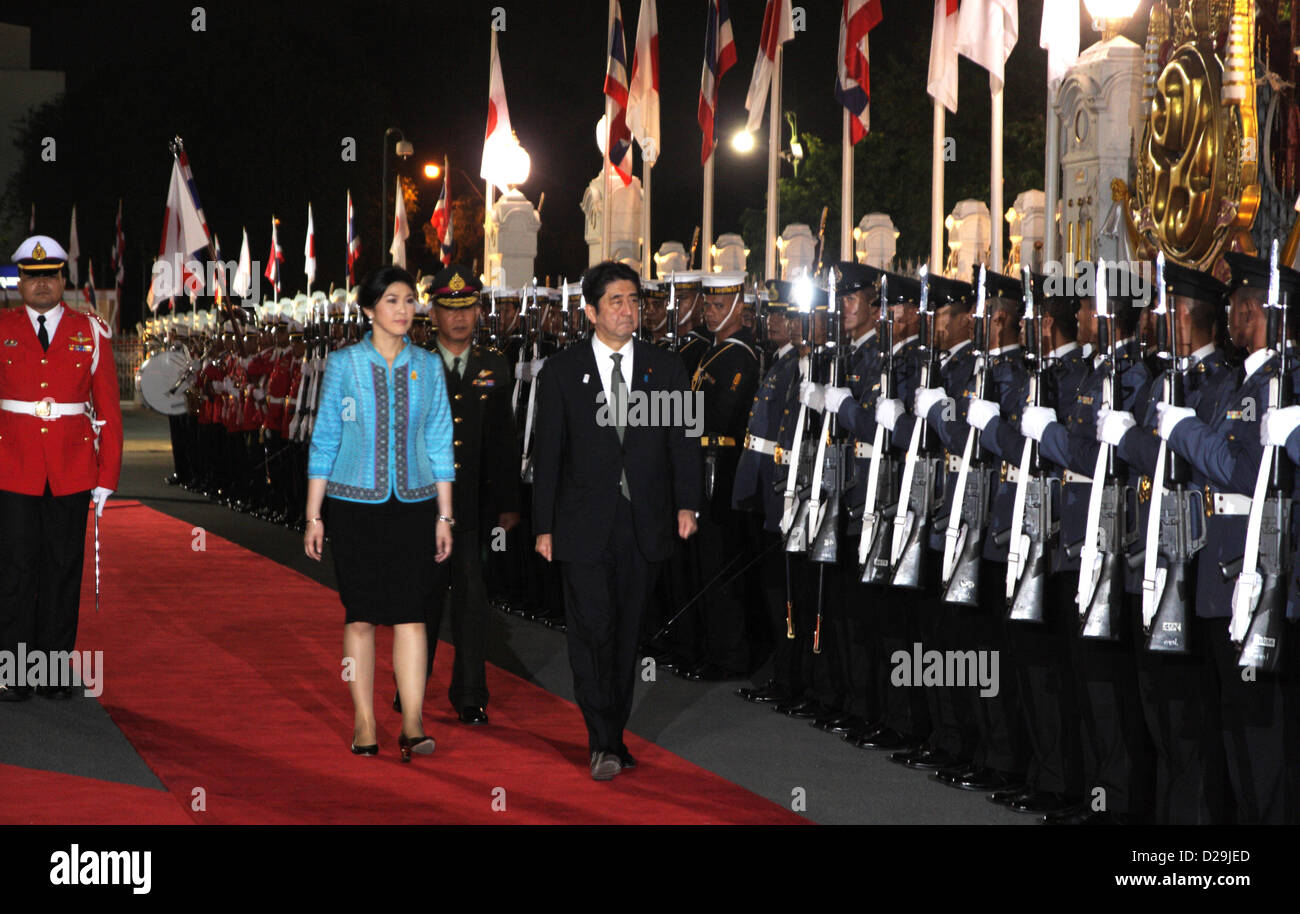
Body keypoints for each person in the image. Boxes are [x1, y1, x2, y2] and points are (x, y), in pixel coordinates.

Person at [532, 260, 702, 780]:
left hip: (643, 523)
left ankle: (611, 735)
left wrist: (687, 504)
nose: (629, 311)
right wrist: (544, 526)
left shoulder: (666, 367)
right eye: (616, 302)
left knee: (627, 634)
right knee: (592, 631)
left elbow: (685, 443)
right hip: (582, 526)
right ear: (590, 311)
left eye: (635, 301)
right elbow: (549, 455)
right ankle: (602, 740)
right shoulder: (561, 372)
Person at [304, 266, 455, 762]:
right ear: (369, 309)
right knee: (363, 616)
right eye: (392, 300)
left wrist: (444, 516)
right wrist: (314, 515)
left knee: (413, 615)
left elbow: (438, 443)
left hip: (414, 507)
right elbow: (325, 439)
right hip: (353, 507)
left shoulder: (429, 366)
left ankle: (412, 722)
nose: (405, 309)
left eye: (410, 300)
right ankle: (365, 721)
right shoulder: (345, 365)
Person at [0, 235, 123, 701]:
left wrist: (106, 477)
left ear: (63, 280)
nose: (42, 285)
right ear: (20, 283)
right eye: (33, 277)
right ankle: (13, 671)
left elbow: (107, 409)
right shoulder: (2, 329)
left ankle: (51, 669)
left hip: (72, 470)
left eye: (50, 276)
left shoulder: (89, 331)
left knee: (61, 567)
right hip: (12, 466)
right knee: (14, 568)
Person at [406, 263, 521, 725]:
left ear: (478, 312)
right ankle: (410, 688)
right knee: (422, 601)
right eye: (449, 309)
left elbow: (503, 439)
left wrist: (509, 503)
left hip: (473, 507)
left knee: (473, 600)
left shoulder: (494, 366)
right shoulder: (412, 364)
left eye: (468, 308)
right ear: (432, 313)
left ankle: (470, 694)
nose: (459, 318)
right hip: (422, 506)